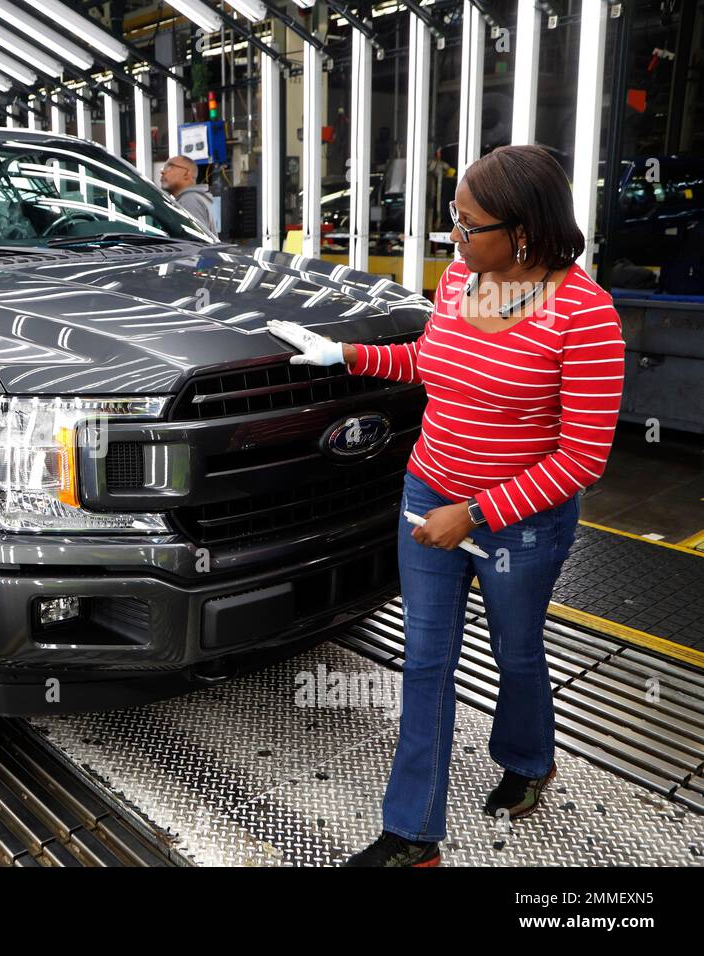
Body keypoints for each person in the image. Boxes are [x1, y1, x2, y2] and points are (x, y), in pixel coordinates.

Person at [268, 145, 626, 866]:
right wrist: (345, 355)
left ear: (521, 232)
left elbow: (583, 459)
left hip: (520, 525)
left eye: (467, 226)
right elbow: (430, 363)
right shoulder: (467, 278)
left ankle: (528, 760)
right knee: (426, 663)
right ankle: (413, 835)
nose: (453, 241)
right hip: (426, 492)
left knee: (515, 653)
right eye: (453, 223)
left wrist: (476, 515)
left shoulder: (585, 317)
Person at [159, 155, 216, 235]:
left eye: (170, 167)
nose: (162, 172)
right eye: (163, 168)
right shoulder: (193, 198)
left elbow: (195, 243)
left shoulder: (189, 200)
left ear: (186, 173)